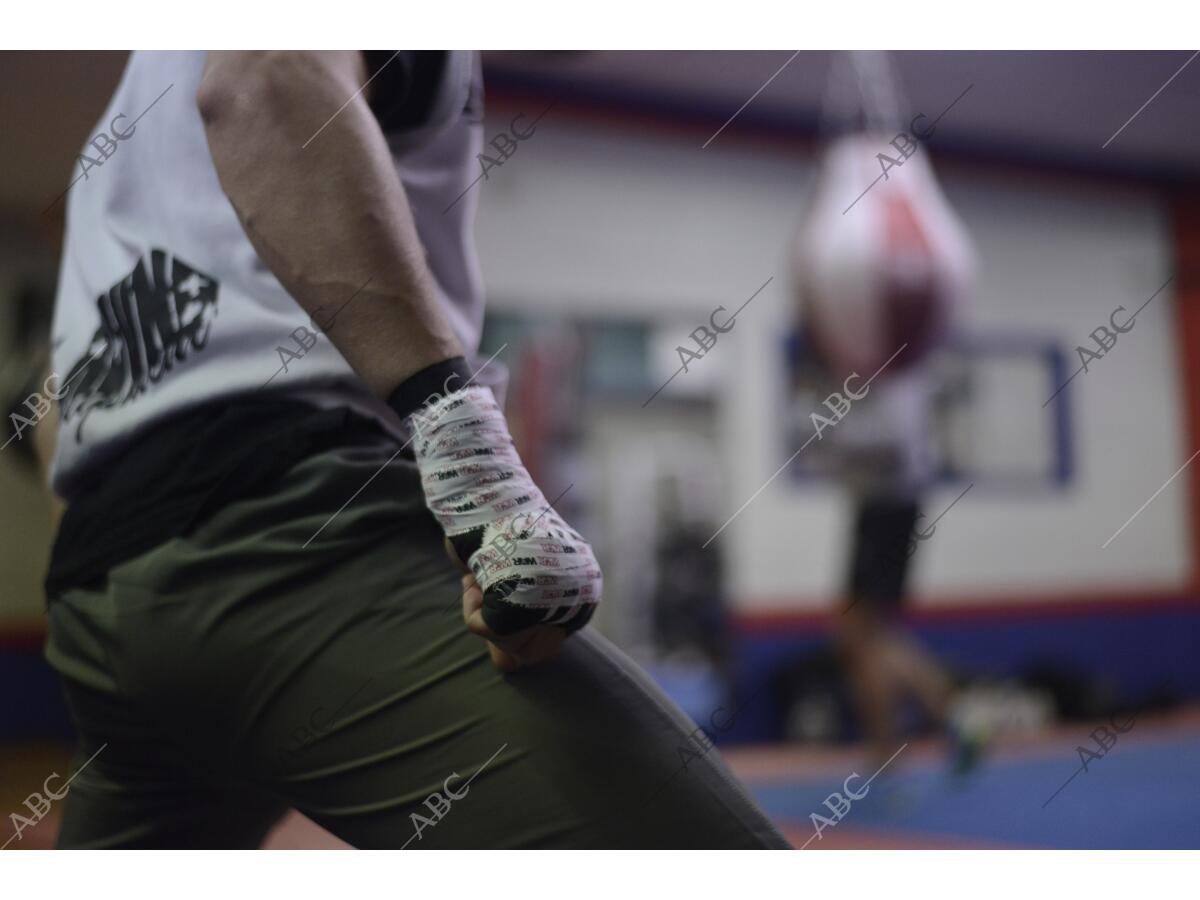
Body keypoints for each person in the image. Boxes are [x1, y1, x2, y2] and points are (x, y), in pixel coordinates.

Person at [39, 50, 788, 849]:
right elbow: (264, 81)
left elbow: (57, 400)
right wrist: (480, 478)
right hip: (299, 536)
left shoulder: (134, 116)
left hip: (106, 600)